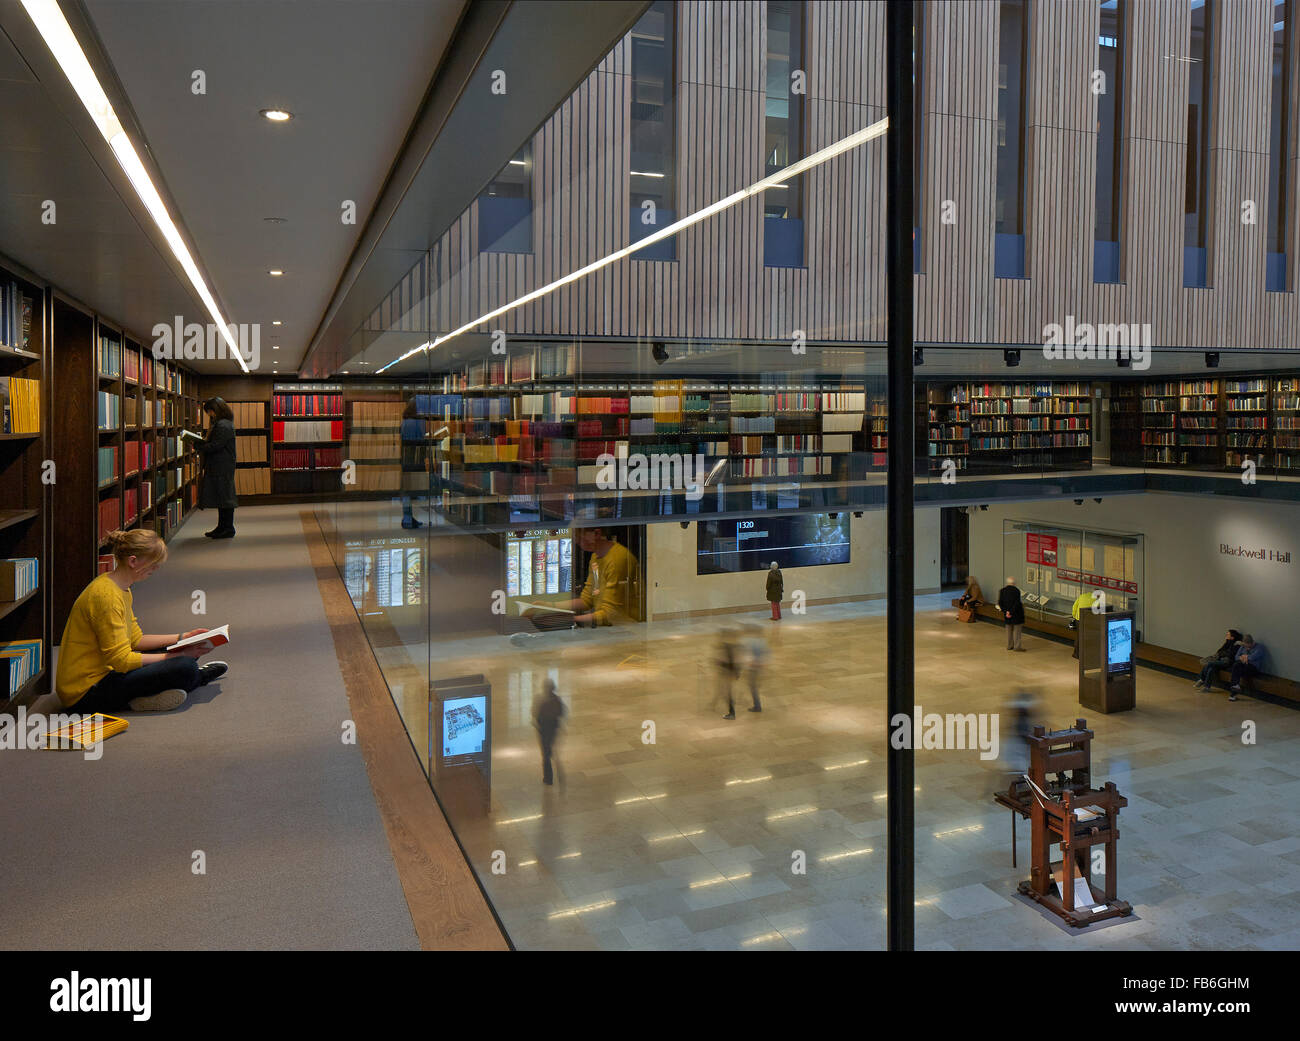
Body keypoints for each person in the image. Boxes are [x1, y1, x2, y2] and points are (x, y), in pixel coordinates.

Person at [54, 529, 228, 714]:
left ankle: (151, 693)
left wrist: (184, 637)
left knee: (180, 650)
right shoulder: (106, 598)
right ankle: (194, 678)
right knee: (184, 666)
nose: (156, 569)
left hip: (108, 672)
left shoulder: (119, 588)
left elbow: (135, 640)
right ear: (133, 561)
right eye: (153, 564)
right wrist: (179, 657)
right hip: (87, 693)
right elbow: (122, 661)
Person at [185, 397, 237, 539]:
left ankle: (227, 528)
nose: (209, 415)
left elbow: (216, 445)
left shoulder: (223, 425)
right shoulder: (224, 424)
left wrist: (197, 445)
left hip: (222, 465)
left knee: (226, 497)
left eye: (209, 411)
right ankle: (222, 527)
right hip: (221, 464)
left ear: (215, 410)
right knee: (222, 497)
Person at [399, 398, 427, 530]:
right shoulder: (418, 421)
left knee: (407, 491)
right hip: (416, 459)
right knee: (413, 490)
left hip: (406, 459)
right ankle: (409, 519)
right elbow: (421, 439)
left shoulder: (404, 422)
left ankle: (408, 517)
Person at [533, 679, 565, 785]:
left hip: (544, 730)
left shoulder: (541, 700)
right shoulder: (557, 700)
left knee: (545, 755)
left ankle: (548, 778)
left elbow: (535, 714)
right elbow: (562, 712)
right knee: (549, 750)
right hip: (553, 729)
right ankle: (552, 773)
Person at [1228, 634, 1266, 701]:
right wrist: (1244, 658)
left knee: (1236, 667)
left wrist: (1245, 657)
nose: (1247, 647)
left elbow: (1253, 657)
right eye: (1245, 646)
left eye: (1248, 646)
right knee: (1236, 666)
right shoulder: (1243, 647)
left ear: (1251, 643)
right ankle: (1235, 688)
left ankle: (1233, 693)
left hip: (1253, 668)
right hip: (1242, 666)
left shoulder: (1259, 647)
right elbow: (1236, 657)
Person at [716, 630, 741, 719]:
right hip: (730, 674)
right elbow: (737, 661)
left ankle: (732, 713)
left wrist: (720, 665)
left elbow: (724, 661)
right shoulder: (733, 646)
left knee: (727, 694)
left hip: (728, 674)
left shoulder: (725, 647)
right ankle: (731, 710)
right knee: (727, 693)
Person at [742, 624, 766, 713]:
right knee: (753, 686)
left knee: (753, 686)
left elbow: (745, 654)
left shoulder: (747, 641)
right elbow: (765, 654)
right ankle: (757, 705)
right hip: (759, 667)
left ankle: (757, 706)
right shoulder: (762, 641)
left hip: (751, 667)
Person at [997, 576, 1026, 651]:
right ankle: (1017, 647)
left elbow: (1000, 602)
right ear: (1014, 583)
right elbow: (1016, 603)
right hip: (1016, 614)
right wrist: (1011, 612)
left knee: (1008, 630)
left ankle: (1009, 645)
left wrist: (1006, 611)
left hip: (1007, 614)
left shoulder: (1002, 591)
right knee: (1017, 631)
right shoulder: (1016, 591)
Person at [1069, 590, 1096, 660]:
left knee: (1079, 637)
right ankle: (1088, 654)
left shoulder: (1082, 596)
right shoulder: (1097, 600)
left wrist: (1074, 616)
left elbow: (1074, 606)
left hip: (1079, 619)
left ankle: (1076, 654)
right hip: (1090, 621)